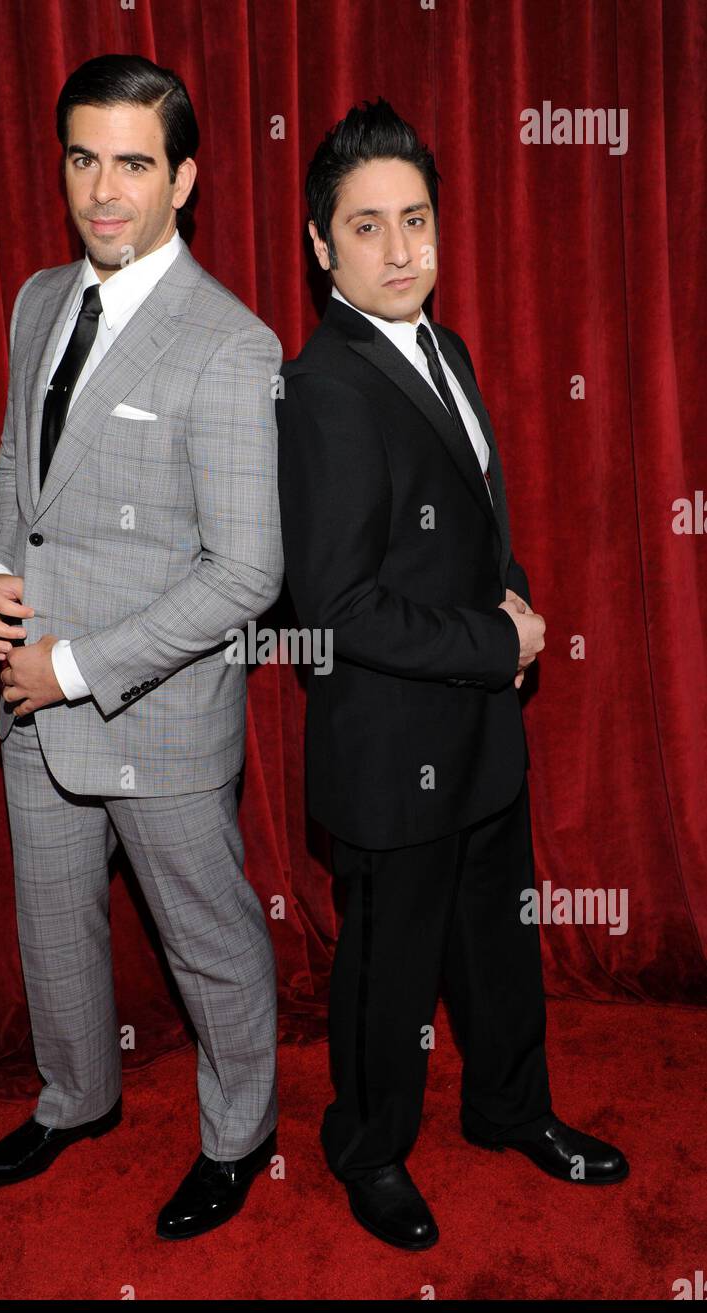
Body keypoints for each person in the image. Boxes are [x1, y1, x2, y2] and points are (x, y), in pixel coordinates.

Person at [275, 98, 628, 1251]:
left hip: (477, 722)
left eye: (413, 220)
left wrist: (510, 593)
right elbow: (329, 606)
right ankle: (369, 1149)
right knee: (388, 970)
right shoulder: (322, 387)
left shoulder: (444, 343)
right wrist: (499, 644)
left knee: (496, 937)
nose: (397, 248)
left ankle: (507, 1108)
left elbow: (464, 524)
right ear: (321, 246)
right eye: (365, 227)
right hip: (388, 745)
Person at [0, 54, 283, 1240]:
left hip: (149, 710)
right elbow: (21, 471)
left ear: (184, 179)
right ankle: (74, 1099)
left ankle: (239, 1136)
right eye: (83, 159)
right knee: (52, 926)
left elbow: (250, 574)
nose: (104, 191)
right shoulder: (38, 298)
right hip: (28, 688)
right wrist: (0, 575)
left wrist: (80, 665)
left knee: (207, 943)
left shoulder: (230, 344)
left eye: (134, 164)